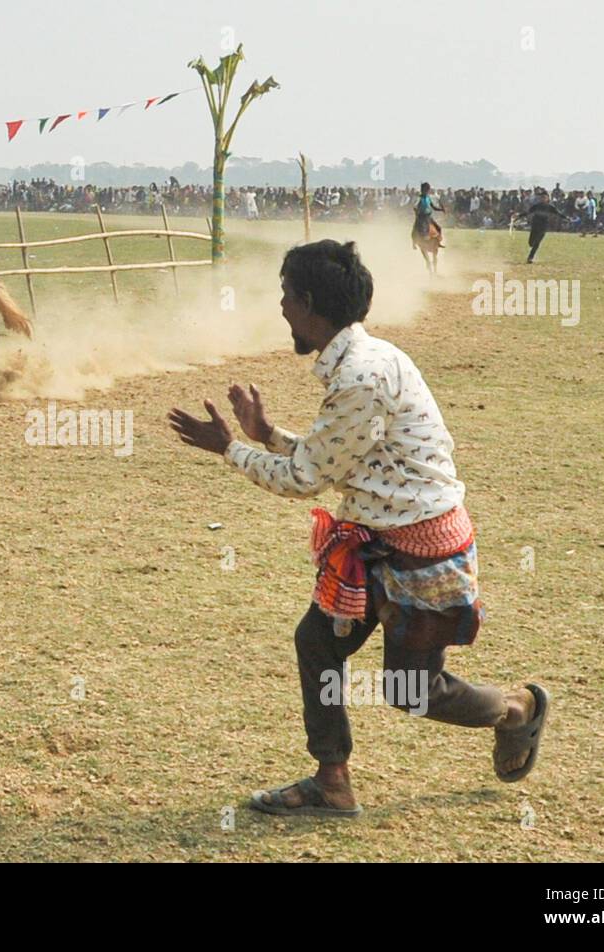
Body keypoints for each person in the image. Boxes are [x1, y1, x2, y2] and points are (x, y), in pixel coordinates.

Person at [168, 239, 548, 817]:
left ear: (311, 302)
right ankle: (332, 781)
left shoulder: (360, 377)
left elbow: (305, 479)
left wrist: (230, 449)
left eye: (287, 295)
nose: (281, 307)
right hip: (377, 542)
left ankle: (518, 708)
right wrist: (266, 434)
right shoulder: (364, 360)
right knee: (317, 642)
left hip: (421, 555)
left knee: (411, 692)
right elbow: (337, 458)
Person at [514, 188, 567, 263]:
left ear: (547, 198)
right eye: (541, 197)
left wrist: (566, 218)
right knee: (531, 243)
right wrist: (518, 215)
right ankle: (532, 250)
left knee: (537, 242)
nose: (543, 199)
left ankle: (530, 257)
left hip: (543, 227)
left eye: (544, 197)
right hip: (535, 225)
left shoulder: (550, 207)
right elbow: (527, 212)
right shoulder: (536, 206)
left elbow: (558, 213)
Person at [413, 182, 445, 246]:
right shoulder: (419, 198)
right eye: (427, 190)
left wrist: (441, 209)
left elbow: (433, 207)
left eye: (428, 190)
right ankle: (414, 242)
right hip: (421, 217)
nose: (427, 191)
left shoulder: (428, 198)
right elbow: (415, 206)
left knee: (439, 228)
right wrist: (417, 213)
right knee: (415, 230)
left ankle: (438, 242)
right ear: (423, 190)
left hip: (428, 217)